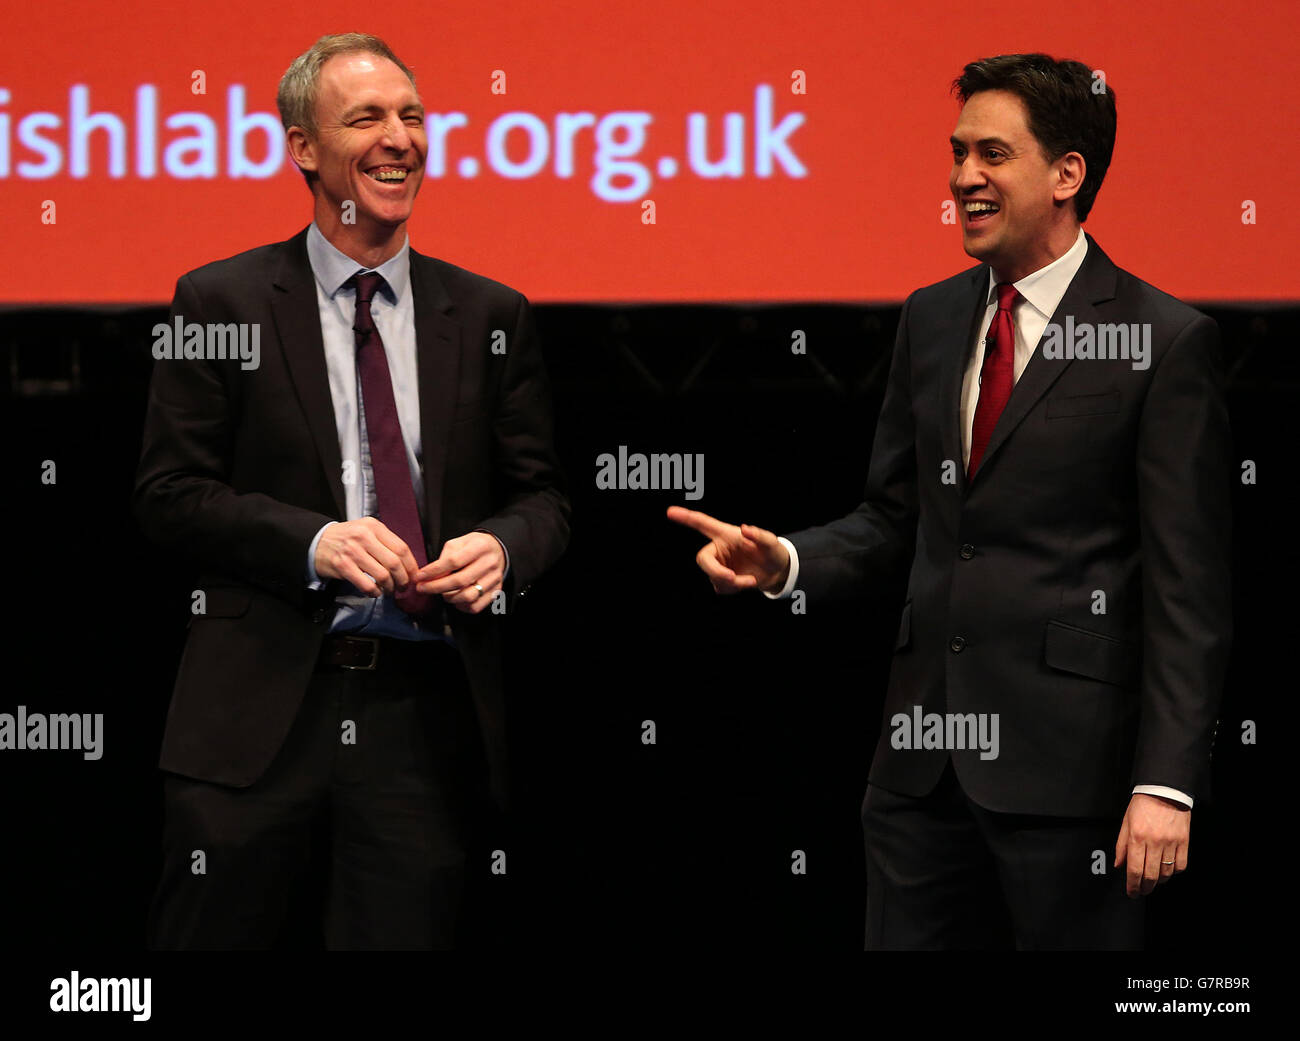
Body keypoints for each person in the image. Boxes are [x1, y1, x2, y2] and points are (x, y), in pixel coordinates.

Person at [669, 53, 1231, 950]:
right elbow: (896, 521)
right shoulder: (931, 319)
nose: (963, 175)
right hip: (918, 777)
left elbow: (1188, 590)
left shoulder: (1163, 341)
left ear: (1066, 174)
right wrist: (791, 561)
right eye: (958, 152)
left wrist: (1165, 785)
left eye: (992, 154)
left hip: (1073, 782)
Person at [134, 33, 569, 949]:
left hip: (423, 718)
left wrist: (504, 549)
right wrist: (314, 541)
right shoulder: (219, 303)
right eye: (366, 117)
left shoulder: (491, 314)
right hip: (254, 724)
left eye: (412, 116)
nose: (399, 138)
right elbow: (169, 493)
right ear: (303, 148)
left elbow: (544, 500)